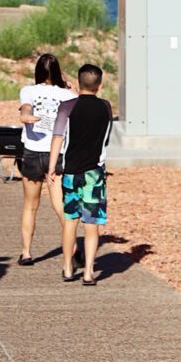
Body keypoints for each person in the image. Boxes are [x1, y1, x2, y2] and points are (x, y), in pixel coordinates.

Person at [47, 63, 114, 286]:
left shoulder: (67, 107)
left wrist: (51, 167)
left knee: (70, 221)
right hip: (95, 173)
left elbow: (58, 137)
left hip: (70, 172)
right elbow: (106, 138)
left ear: (78, 83)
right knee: (92, 224)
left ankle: (68, 267)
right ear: (100, 85)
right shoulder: (105, 107)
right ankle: (88, 272)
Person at [16, 51, 74, 265]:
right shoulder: (67, 95)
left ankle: (26, 252)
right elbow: (78, 99)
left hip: (32, 151)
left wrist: (26, 116)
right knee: (60, 205)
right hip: (56, 152)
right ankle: (73, 248)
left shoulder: (28, 90)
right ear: (57, 72)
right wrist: (66, 86)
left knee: (30, 205)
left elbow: (26, 107)